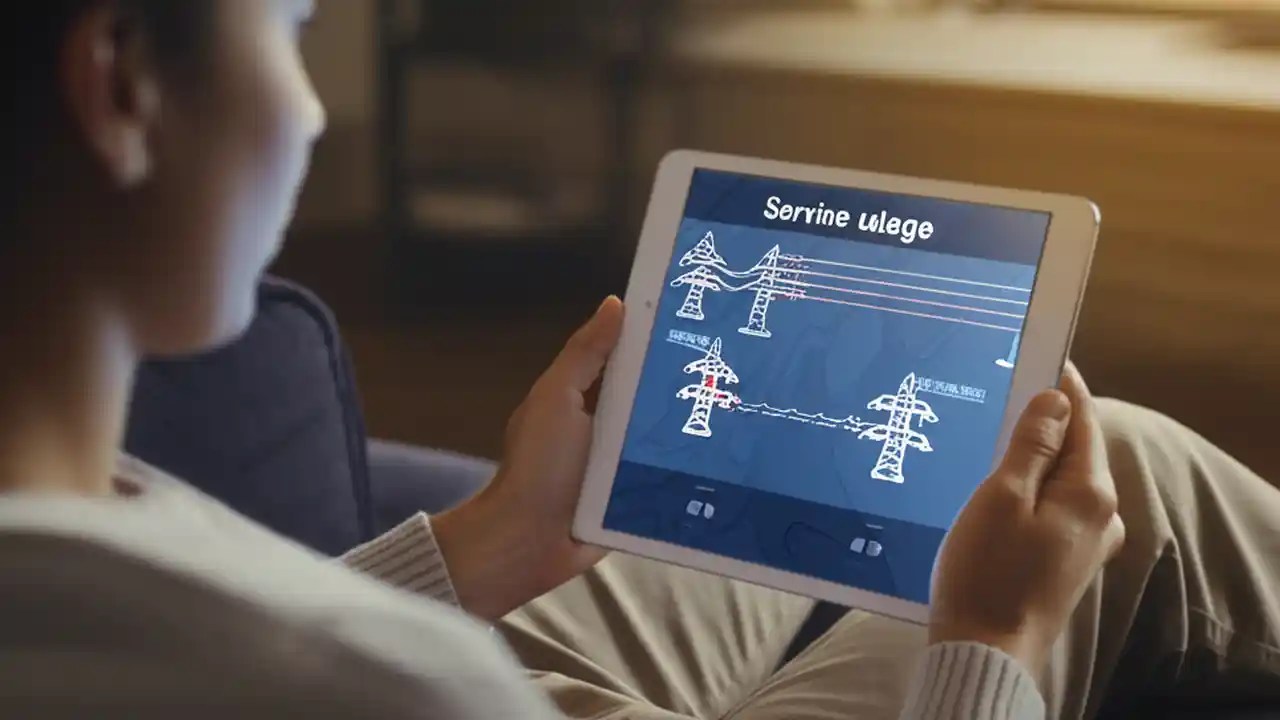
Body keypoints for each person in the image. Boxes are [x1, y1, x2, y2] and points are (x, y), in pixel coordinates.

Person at [1, 1, 1277, 718]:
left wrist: (498, 539)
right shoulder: (376, 682)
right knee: (1132, 479)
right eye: (287, 29)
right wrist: (991, 642)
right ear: (119, 83)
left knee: (737, 490)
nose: (317, 109)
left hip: (488, 663)